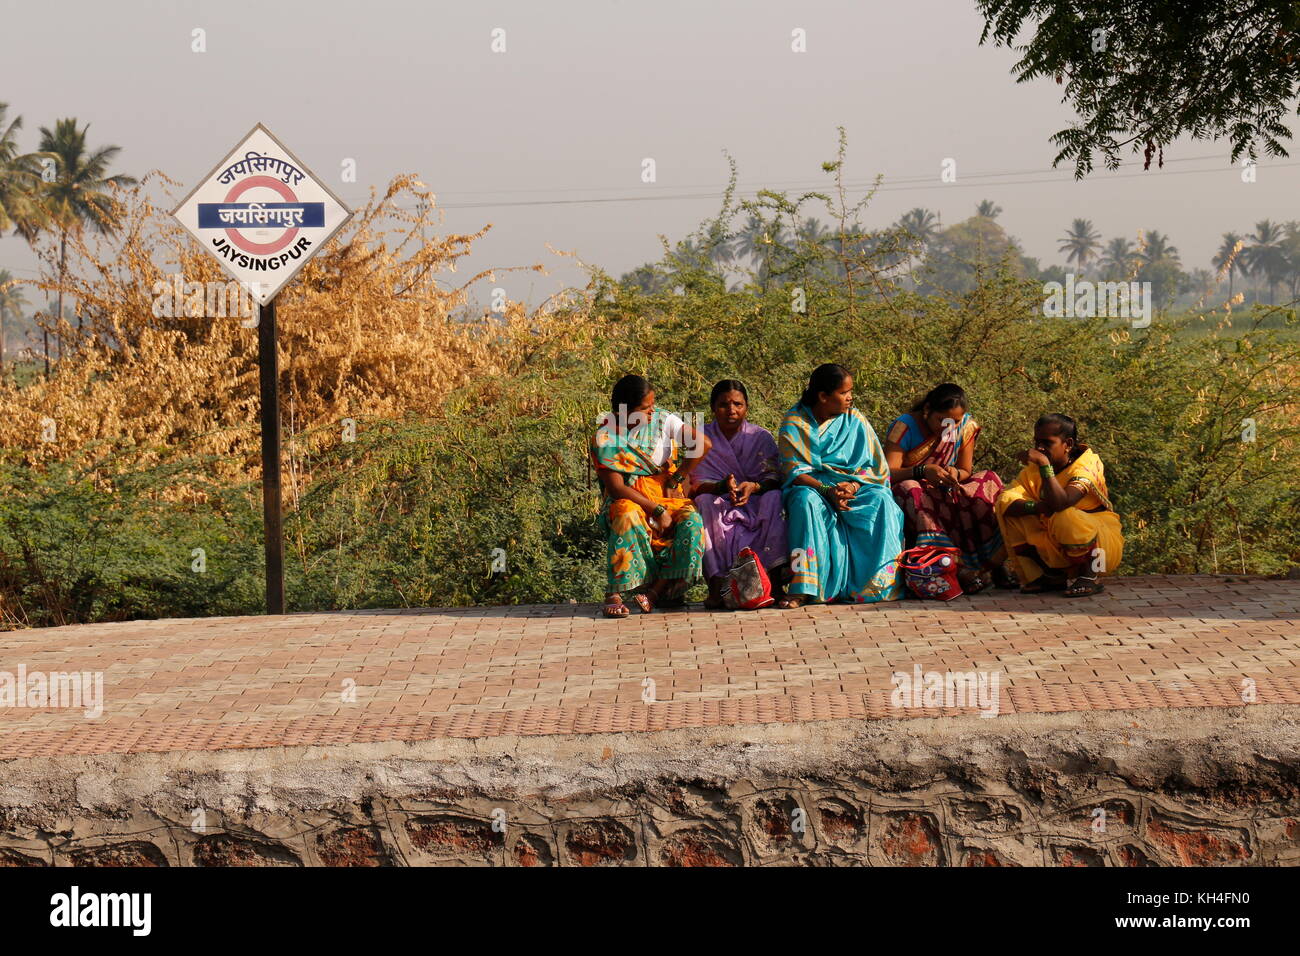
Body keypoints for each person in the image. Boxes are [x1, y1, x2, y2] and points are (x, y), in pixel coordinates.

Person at [777, 363, 905, 608]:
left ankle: (878, 585)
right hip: (816, 488)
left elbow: (875, 467)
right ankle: (803, 586)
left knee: (882, 501)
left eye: (850, 392)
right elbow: (795, 471)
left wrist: (853, 487)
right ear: (823, 396)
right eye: (844, 393)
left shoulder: (855, 420)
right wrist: (828, 491)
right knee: (804, 501)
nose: (850, 398)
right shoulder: (794, 423)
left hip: (856, 487)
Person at [590, 375, 710, 617]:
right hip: (629, 496)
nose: (652, 411)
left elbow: (702, 443)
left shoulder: (663, 420)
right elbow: (616, 489)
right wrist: (656, 510)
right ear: (624, 411)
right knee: (627, 515)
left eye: (653, 405)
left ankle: (656, 592)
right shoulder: (606, 437)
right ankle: (614, 593)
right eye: (645, 408)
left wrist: (677, 478)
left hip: (666, 494)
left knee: (692, 522)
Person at [883, 383, 1014, 593]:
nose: (949, 428)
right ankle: (950, 567)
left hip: (946, 484)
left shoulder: (963, 427)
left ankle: (992, 565)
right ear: (927, 411)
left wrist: (954, 473)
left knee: (988, 481)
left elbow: (965, 470)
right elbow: (889, 472)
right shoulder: (905, 426)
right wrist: (923, 472)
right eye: (942, 421)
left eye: (955, 422)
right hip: (914, 486)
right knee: (911, 489)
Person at [994, 413, 1123, 597]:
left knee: (1063, 515)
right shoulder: (1034, 470)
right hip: (1058, 539)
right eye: (1037, 442)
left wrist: (1044, 465)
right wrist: (1037, 508)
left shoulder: (1086, 466)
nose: (1039, 449)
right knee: (1009, 510)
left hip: (1102, 549)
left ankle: (1091, 577)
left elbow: (1061, 503)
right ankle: (1052, 577)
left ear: (1068, 444)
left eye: (1047, 443)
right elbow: (1007, 499)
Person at [690, 379, 789, 609]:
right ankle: (716, 586)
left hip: (755, 503)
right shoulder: (700, 438)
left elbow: (774, 478)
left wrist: (753, 487)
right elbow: (693, 485)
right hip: (719, 502)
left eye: (738, 404)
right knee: (704, 502)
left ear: (747, 407)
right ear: (713, 408)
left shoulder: (760, 437)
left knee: (775, 499)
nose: (732, 410)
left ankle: (772, 583)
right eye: (724, 404)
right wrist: (721, 487)